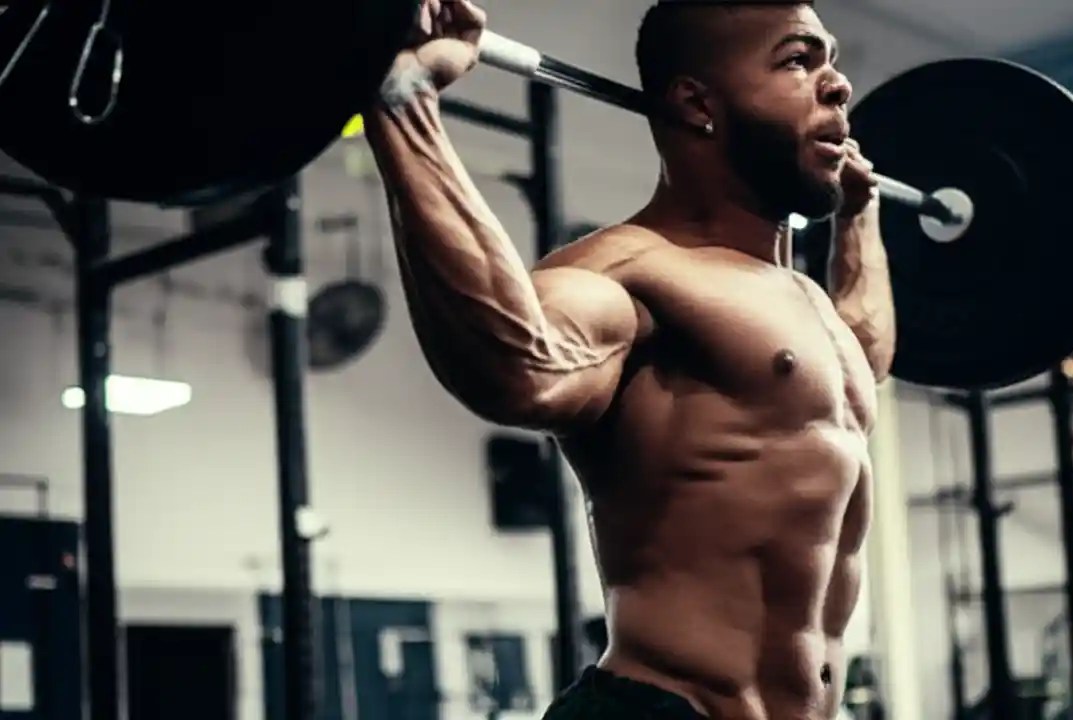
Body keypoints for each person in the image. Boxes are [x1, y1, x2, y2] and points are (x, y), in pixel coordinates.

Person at [363, 1, 892, 718]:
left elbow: (864, 355)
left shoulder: (807, 305)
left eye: (832, 61)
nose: (838, 85)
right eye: (798, 60)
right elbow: (521, 368)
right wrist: (403, 101)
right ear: (696, 103)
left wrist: (861, 220)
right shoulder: (635, 272)